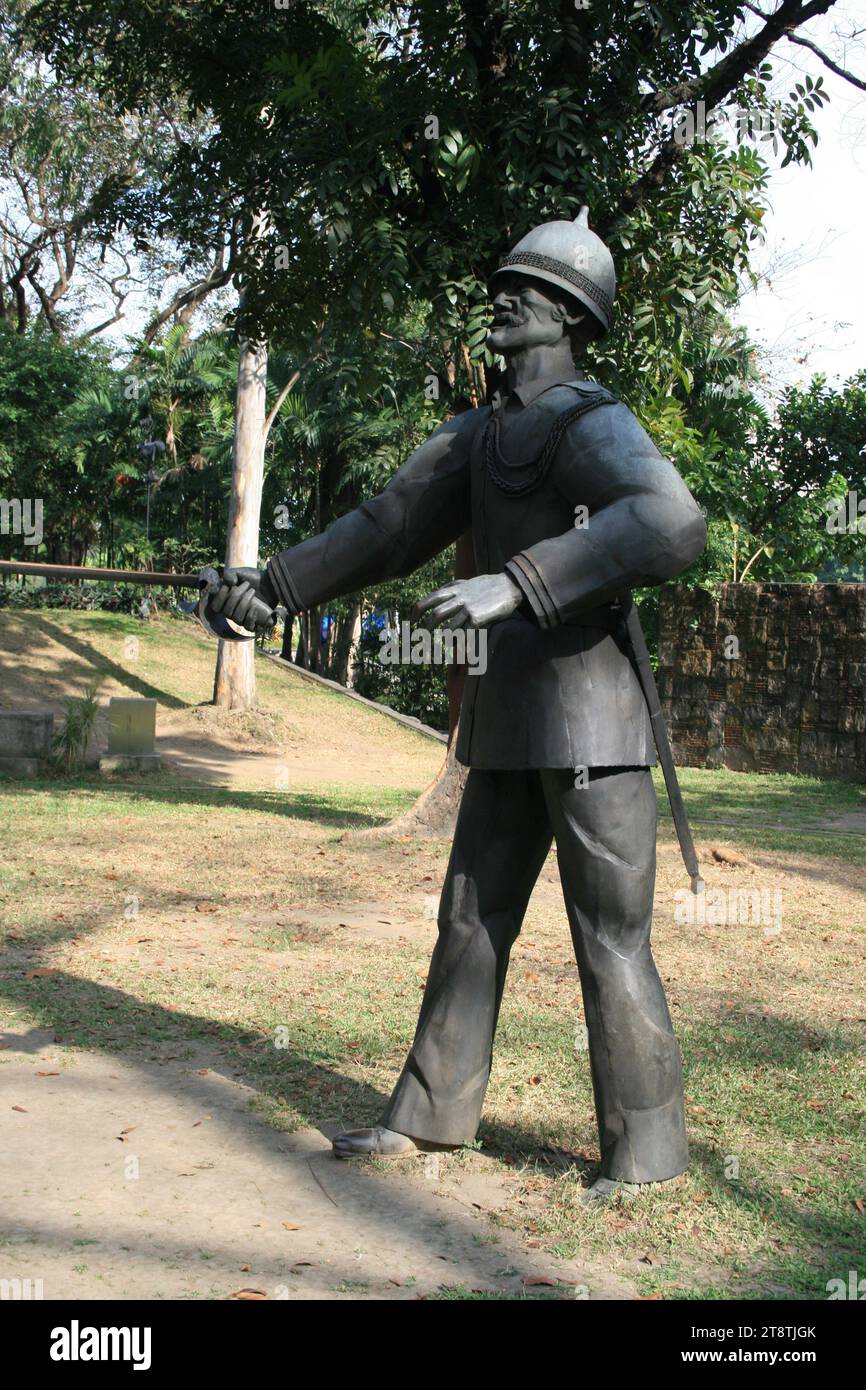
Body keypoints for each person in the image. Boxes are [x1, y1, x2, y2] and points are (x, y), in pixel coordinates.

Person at [210, 210, 706, 1201]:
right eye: (505, 281)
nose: (504, 295)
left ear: (570, 315)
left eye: (529, 288)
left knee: (608, 936)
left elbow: (670, 520)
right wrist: (274, 587)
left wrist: (515, 581)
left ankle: (648, 1156)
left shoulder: (589, 418)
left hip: (594, 727)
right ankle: (430, 1116)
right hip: (509, 717)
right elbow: (384, 526)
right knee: (469, 920)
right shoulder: (480, 433)